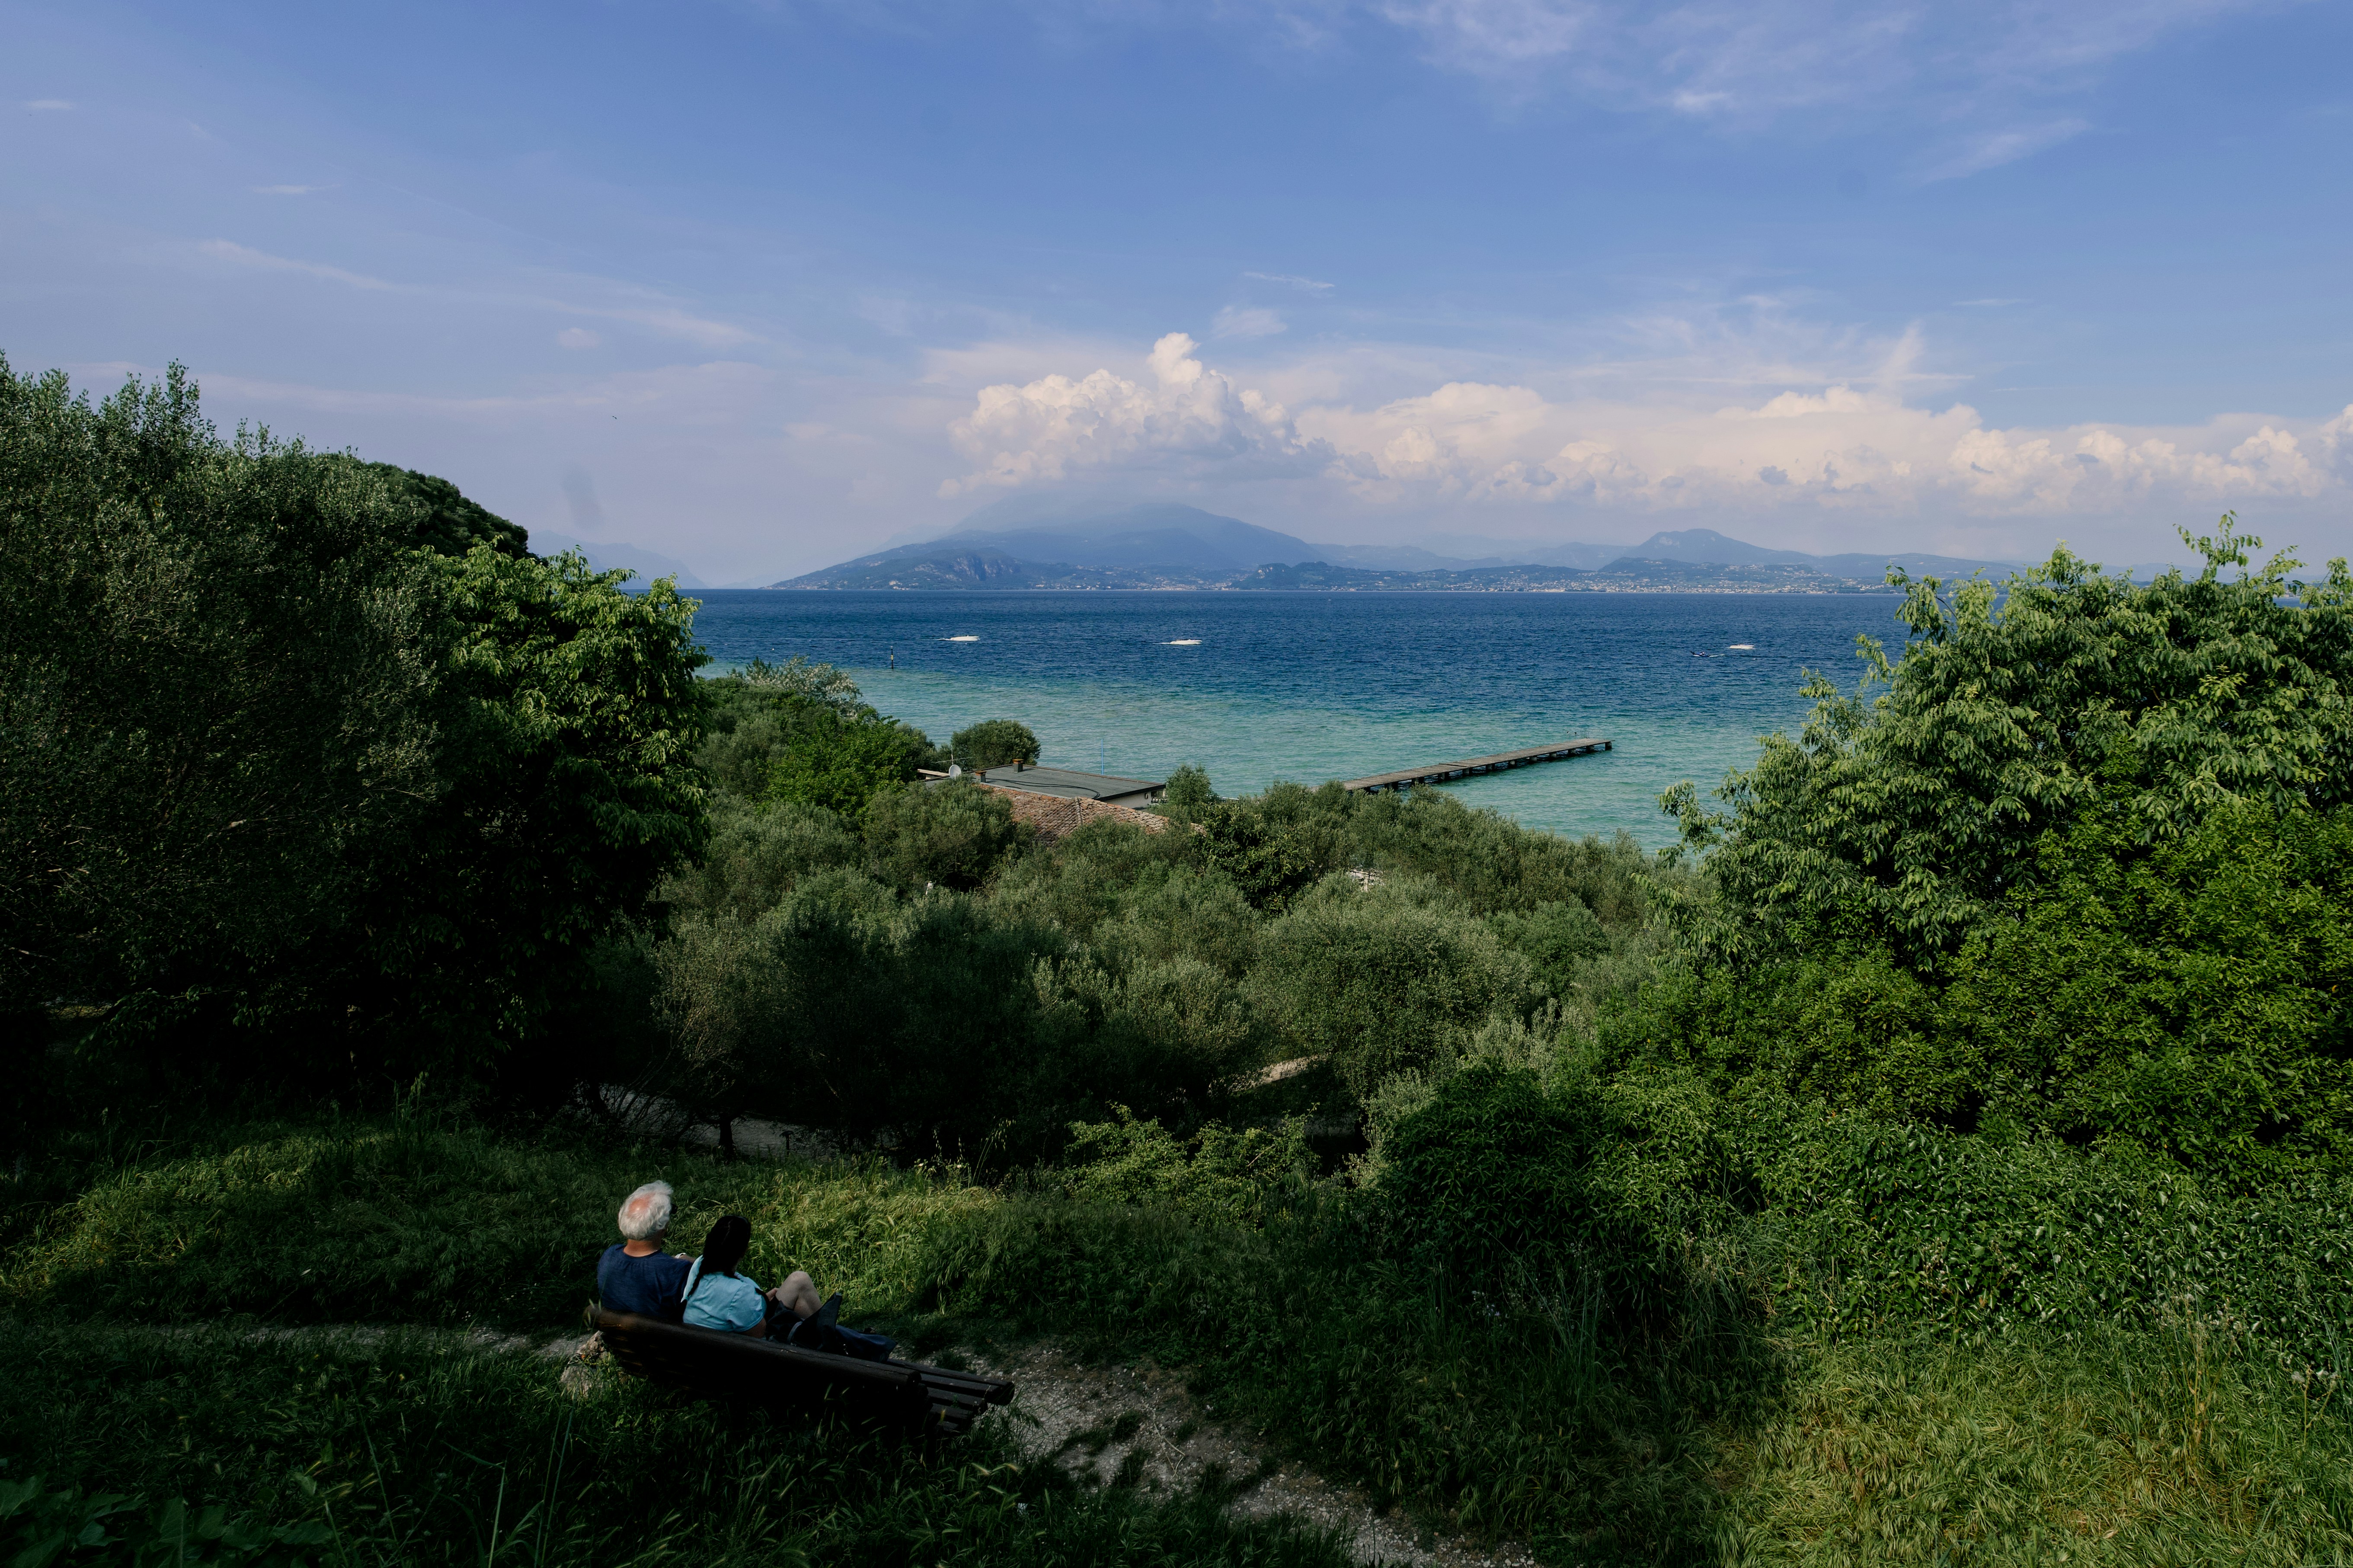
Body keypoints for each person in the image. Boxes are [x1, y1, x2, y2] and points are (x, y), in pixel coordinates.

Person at [596, 1181, 692, 1322]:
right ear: (664, 1227)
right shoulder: (678, 1271)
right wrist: (694, 1263)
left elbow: (644, 1266)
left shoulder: (610, 1256)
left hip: (616, 1339)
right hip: (659, 1342)